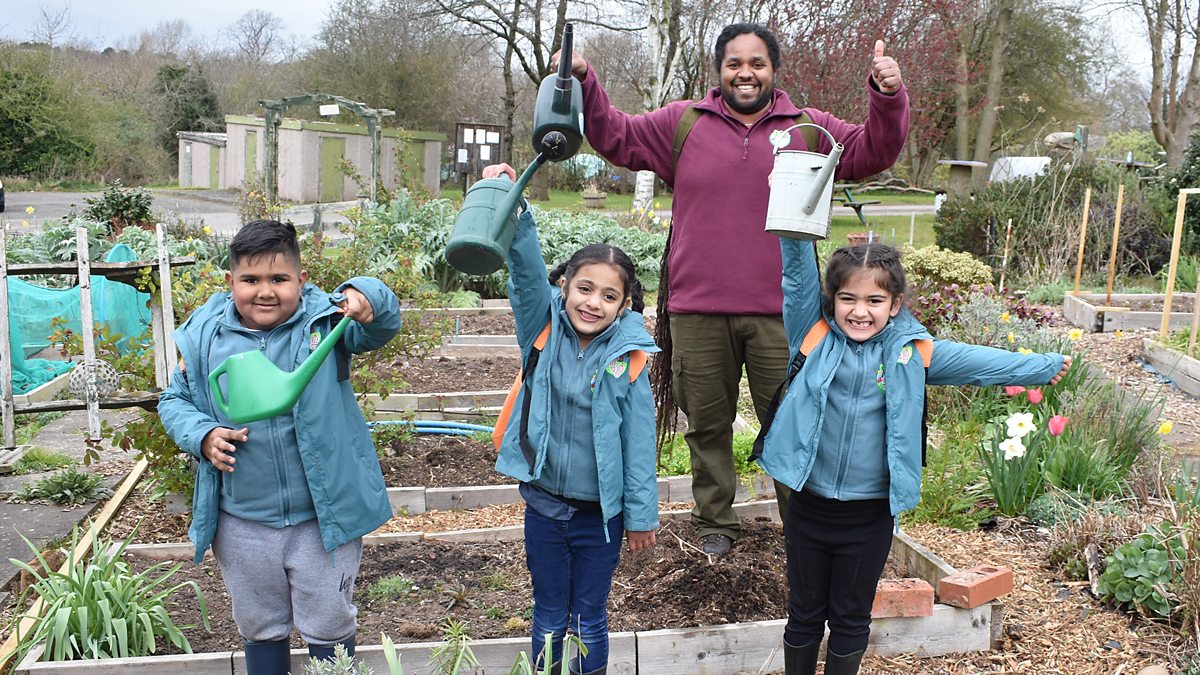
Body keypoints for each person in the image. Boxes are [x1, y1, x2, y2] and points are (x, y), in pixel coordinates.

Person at [556, 23, 910, 557]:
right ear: (719, 70)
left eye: (758, 63)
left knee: (796, 422)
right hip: (698, 309)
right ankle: (715, 524)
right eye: (734, 63)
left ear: (773, 70)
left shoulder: (810, 130)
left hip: (782, 316)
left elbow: (873, 151)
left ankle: (805, 529)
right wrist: (585, 79)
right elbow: (616, 136)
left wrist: (887, 96)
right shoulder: (684, 123)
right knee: (707, 425)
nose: (746, 73)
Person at [759, 240, 1073, 674]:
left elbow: (976, 362)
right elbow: (796, 278)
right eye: (847, 298)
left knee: (851, 617)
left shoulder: (912, 352)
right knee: (805, 613)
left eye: (875, 300)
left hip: (869, 516)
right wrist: (794, 223)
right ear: (831, 300)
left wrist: (1039, 367)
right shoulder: (810, 332)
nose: (860, 311)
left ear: (896, 302)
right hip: (809, 509)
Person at [158, 219, 400, 675]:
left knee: (329, 621)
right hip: (243, 519)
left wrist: (368, 294)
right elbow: (174, 400)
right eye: (250, 280)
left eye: (279, 279)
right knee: (260, 624)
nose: (264, 292)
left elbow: (381, 325)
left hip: (323, 521)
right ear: (230, 282)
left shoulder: (326, 323)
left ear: (301, 281)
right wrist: (203, 435)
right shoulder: (206, 337)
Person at [483, 163, 659, 675]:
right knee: (549, 613)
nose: (593, 302)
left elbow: (639, 444)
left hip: (599, 517)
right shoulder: (542, 330)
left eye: (609, 296)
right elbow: (522, 271)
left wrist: (642, 516)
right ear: (564, 287)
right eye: (584, 288)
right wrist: (516, 204)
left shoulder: (629, 356)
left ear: (625, 304)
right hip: (543, 505)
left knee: (588, 618)